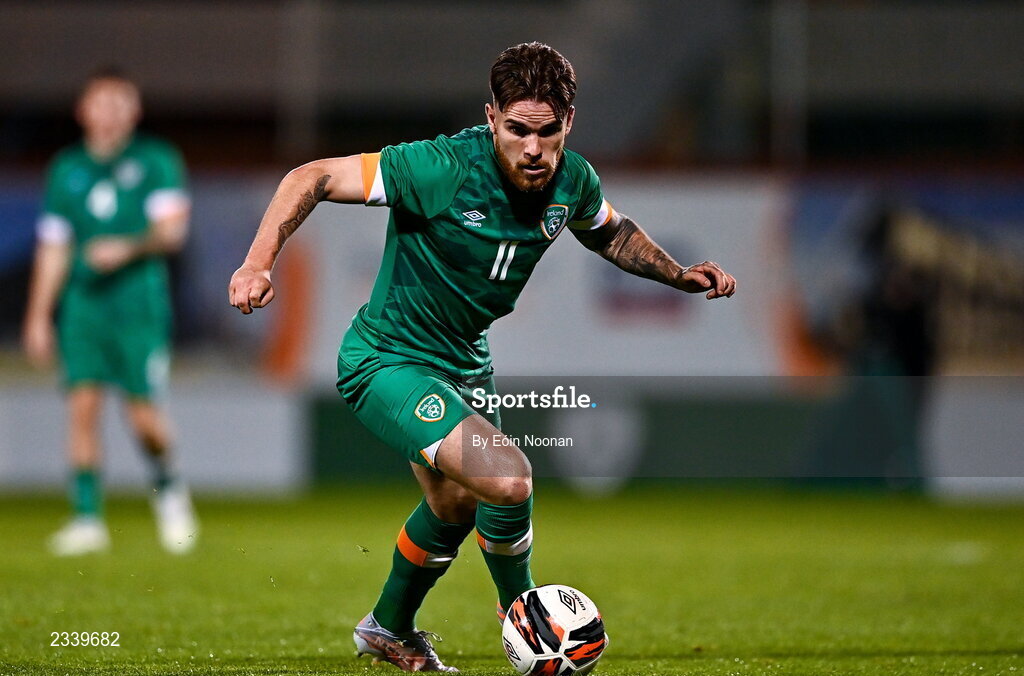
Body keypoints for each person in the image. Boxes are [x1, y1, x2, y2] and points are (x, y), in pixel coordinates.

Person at [229, 42, 736, 672]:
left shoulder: (571, 180)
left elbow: (610, 231)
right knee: (508, 478)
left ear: (567, 124)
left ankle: (387, 629)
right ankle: (524, 618)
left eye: (546, 133)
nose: (532, 148)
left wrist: (678, 274)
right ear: (491, 117)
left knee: (454, 505)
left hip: (465, 365)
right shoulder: (440, 167)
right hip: (388, 361)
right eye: (517, 130)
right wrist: (258, 261)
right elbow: (312, 177)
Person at [23, 69, 199, 556]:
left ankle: (168, 483)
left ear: (135, 112)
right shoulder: (66, 168)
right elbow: (53, 248)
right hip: (83, 307)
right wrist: (38, 315)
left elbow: (172, 232)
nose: (111, 113)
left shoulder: (156, 160)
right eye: (102, 103)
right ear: (84, 109)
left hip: (138, 305)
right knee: (82, 407)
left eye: (121, 103)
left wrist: (126, 247)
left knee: (143, 417)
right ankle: (86, 518)